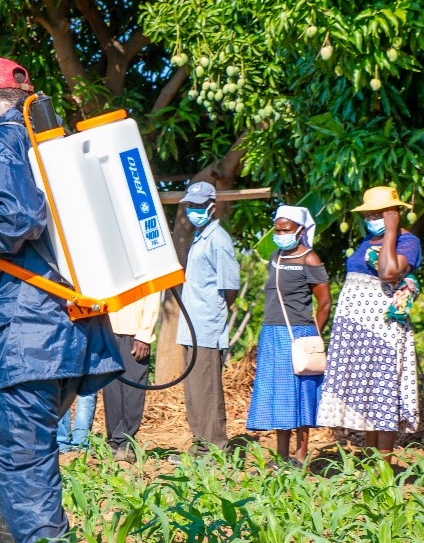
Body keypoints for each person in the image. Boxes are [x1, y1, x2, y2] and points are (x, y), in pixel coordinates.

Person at [0, 56, 123, 543]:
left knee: (25, 466)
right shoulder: (54, 148)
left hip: (31, 338)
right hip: (75, 336)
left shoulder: (1, 140)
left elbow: (13, 219)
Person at [317, 186, 422, 455]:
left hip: (382, 326)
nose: (372, 219)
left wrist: (391, 230)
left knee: (383, 389)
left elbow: (388, 272)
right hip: (355, 326)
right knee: (367, 390)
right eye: (370, 214)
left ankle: (383, 464)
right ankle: (370, 457)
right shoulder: (367, 241)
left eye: (379, 214)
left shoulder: (407, 242)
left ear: (394, 214)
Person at [245, 206, 331, 464]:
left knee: (301, 393)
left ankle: (301, 455)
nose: (281, 234)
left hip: (298, 333)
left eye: (286, 230)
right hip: (272, 333)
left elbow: (325, 302)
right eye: (278, 229)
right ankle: (282, 455)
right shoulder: (275, 256)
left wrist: (313, 336)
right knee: (280, 395)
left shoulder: (310, 259)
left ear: (301, 231)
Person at [176, 181, 241, 454]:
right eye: (190, 206)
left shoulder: (218, 240)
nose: (193, 210)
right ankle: (200, 444)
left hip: (206, 327)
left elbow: (230, 288)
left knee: (207, 391)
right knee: (194, 392)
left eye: (199, 206)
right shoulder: (200, 237)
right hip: (190, 326)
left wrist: (214, 314)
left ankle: (215, 447)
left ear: (212, 208)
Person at [99, 292, 162, 462]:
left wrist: (144, 335)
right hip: (108, 326)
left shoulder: (147, 265)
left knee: (133, 389)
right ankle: (113, 439)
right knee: (111, 387)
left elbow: (153, 295)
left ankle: (127, 441)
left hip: (135, 331)